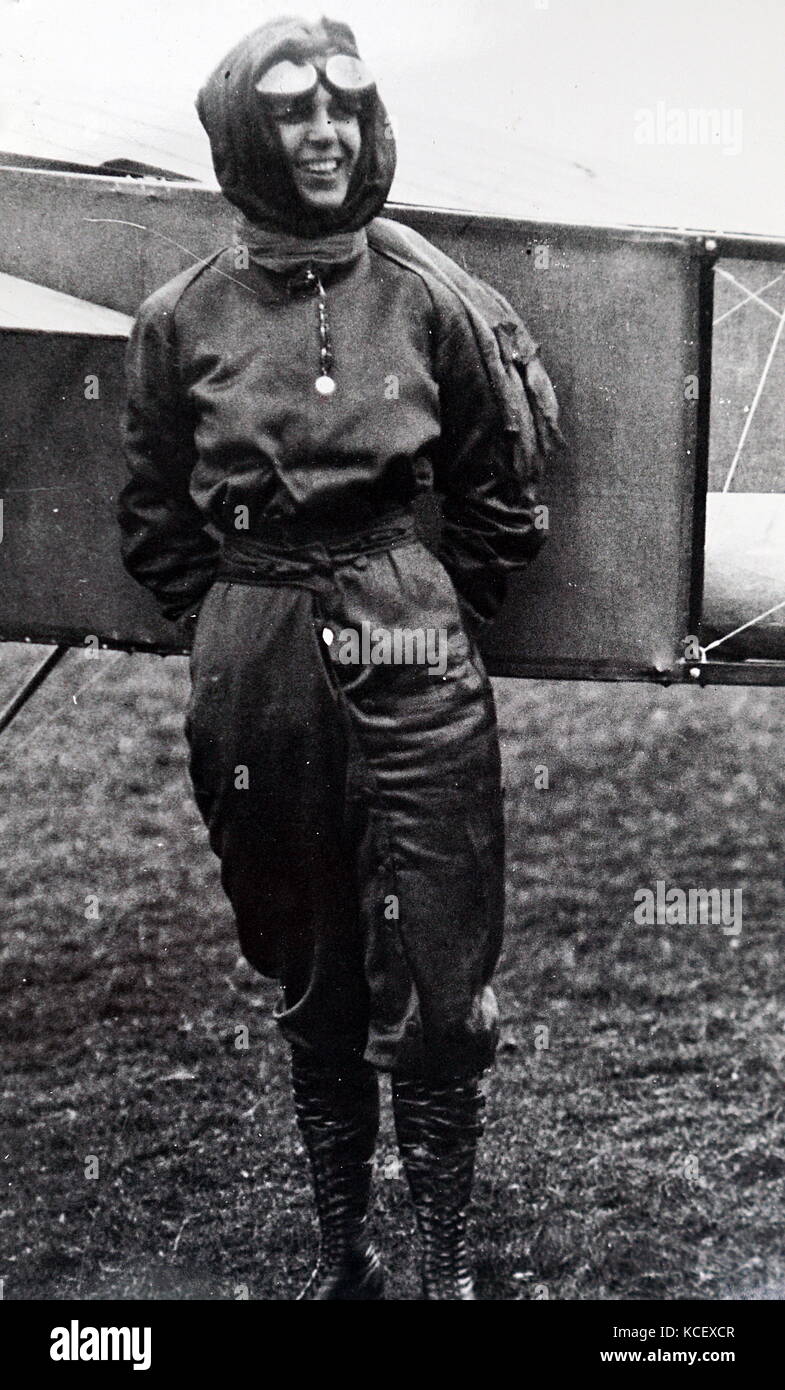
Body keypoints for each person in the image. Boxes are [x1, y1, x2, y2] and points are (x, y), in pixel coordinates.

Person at [117, 14, 562, 1301]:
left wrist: (428, 619)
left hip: (409, 640)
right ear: (247, 134)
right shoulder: (178, 316)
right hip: (255, 659)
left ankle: (440, 1264)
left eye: (343, 111)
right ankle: (340, 1258)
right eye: (295, 112)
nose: (323, 135)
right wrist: (235, 629)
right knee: (305, 950)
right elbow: (154, 516)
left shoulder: (421, 298)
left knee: (432, 956)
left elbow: (493, 494)